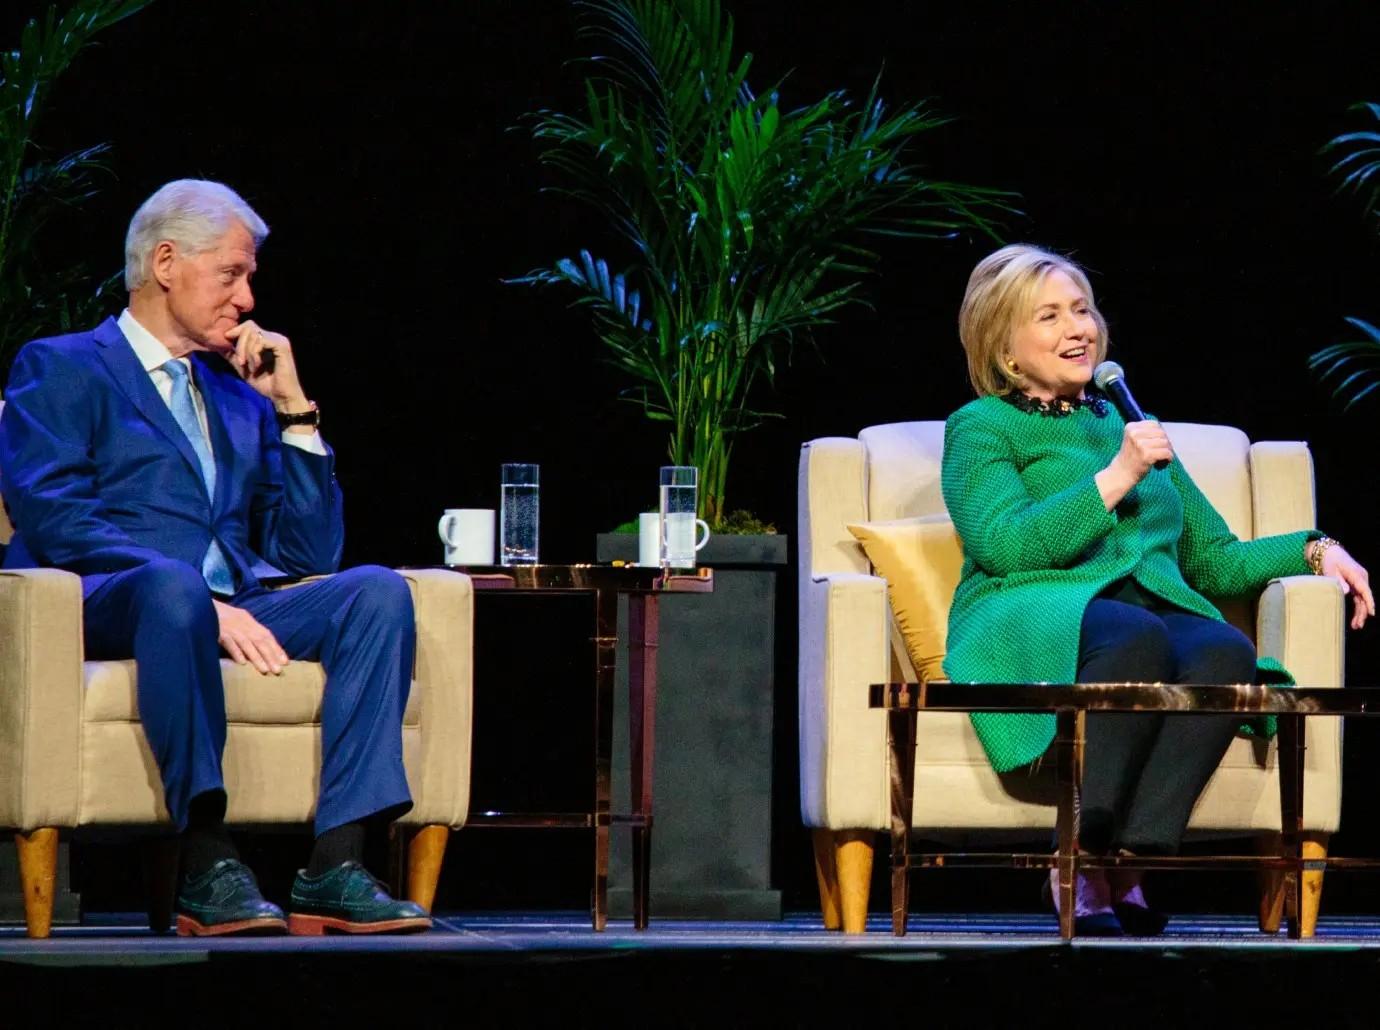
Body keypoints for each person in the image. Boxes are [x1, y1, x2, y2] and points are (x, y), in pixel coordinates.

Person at [0, 179, 431, 936]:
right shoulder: (63, 365)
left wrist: (293, 413)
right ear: (165, 262)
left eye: (249, 277)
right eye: (232, 272)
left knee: (376, 592)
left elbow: (306, 551)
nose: (246, 295)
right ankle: (206, 859)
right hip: (112, 598)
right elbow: (57, 517)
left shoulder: (238, 395)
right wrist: (206, 604)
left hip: (233, 600)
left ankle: (334, 865)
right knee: (172, 590)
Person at [940, 243, 1373, 935]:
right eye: (1049, 316)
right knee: (1136, 634)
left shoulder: (1126, 422)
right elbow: (1005, 546)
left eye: (1081, 310)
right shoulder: (981, 427)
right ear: (1007, 348)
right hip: (1035, 608)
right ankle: (1076, 852)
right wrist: (1117, 476)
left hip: (1143, 612)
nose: (1076, 328)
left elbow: (1215, 560)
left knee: (1226, 653)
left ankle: (1134, 855)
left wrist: (1317, 548)